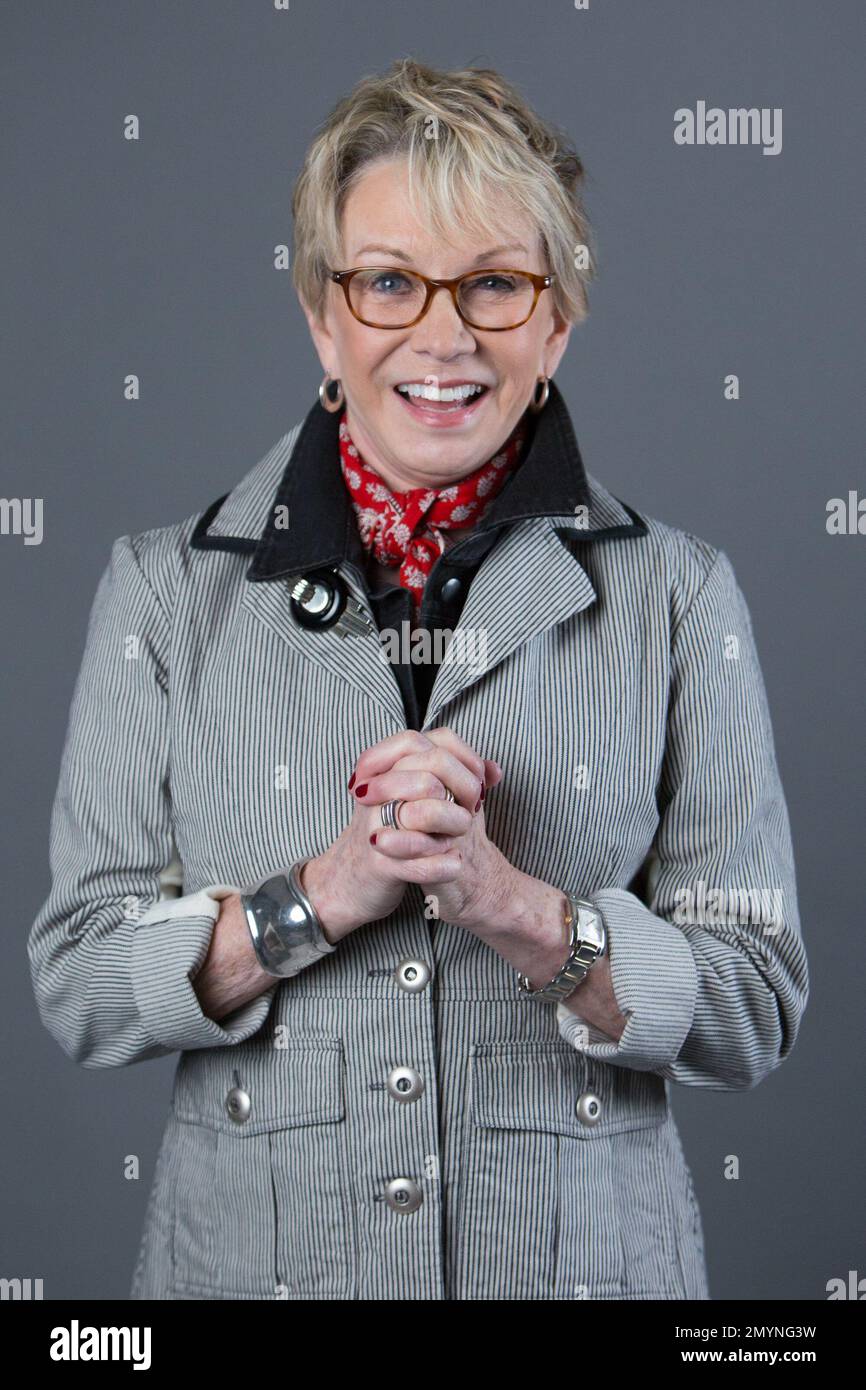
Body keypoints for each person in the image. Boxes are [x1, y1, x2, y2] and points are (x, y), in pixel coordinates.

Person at [28, 57, 808, 1301]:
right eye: (389, 282)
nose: (441, 338)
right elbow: (78, 979)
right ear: (320, 315)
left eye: (493, 285)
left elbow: (754, 1001)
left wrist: (521, 911)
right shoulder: (162, 592)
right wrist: (321, 896)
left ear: (555, 321)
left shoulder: (679, 596)